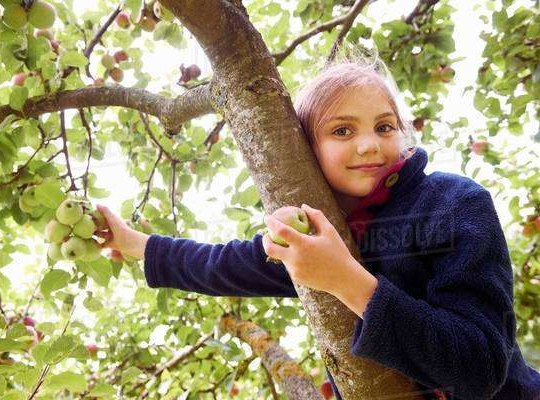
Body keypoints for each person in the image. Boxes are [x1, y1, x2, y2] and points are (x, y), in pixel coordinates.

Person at [95, 47, 540, 399]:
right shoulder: (315, 236)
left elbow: (482, 367)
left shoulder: (453, 202)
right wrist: (136, 243)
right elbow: (221, 263)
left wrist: (346, 280)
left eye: (384, 127)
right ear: (308, 150)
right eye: (342, 131)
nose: (369, 145)